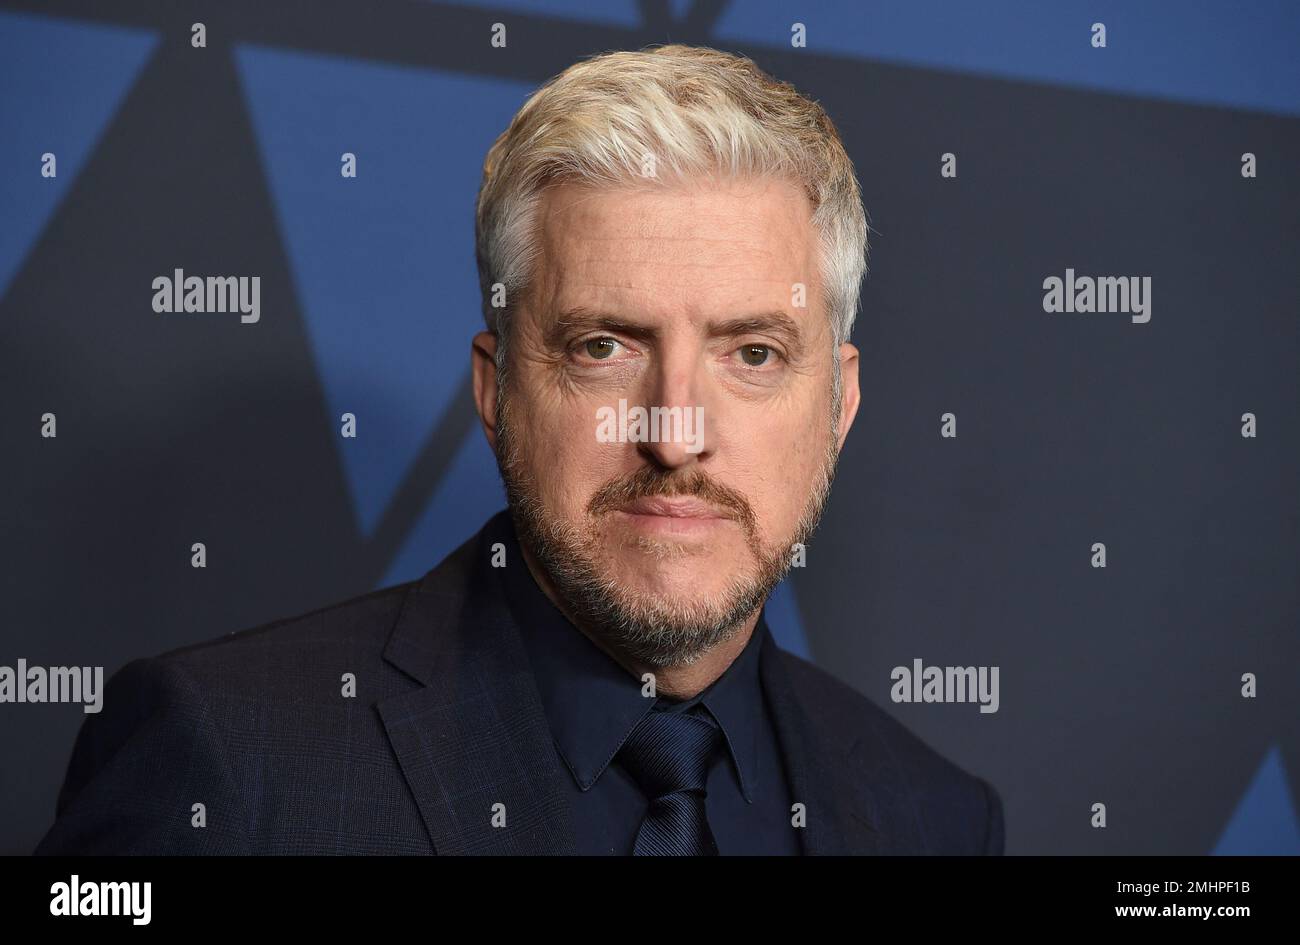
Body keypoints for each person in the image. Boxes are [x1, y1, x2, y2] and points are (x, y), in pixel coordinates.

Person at [35, 44, 1003, 856]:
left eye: (752, 353)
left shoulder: (936, 819)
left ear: (837, 404)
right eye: (603, 348)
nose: (672, 433)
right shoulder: (226, 759)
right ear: (497, 392)